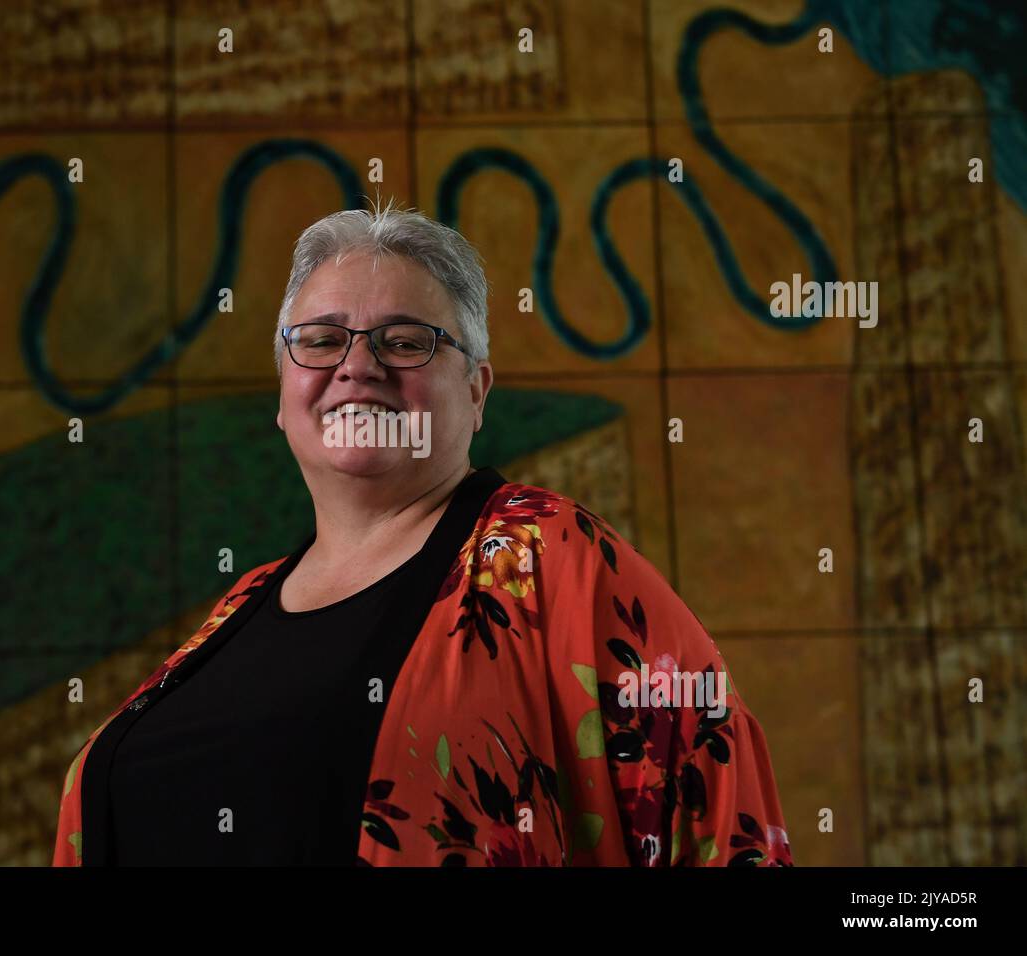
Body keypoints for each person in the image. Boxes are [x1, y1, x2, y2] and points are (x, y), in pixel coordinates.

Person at [52, 199, 793, 867]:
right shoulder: (240, 607)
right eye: (320, 340)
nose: (357, 367)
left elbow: (719, 804)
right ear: (284, 397)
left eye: (405, 342)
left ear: (475, 392)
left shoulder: (554, 559)